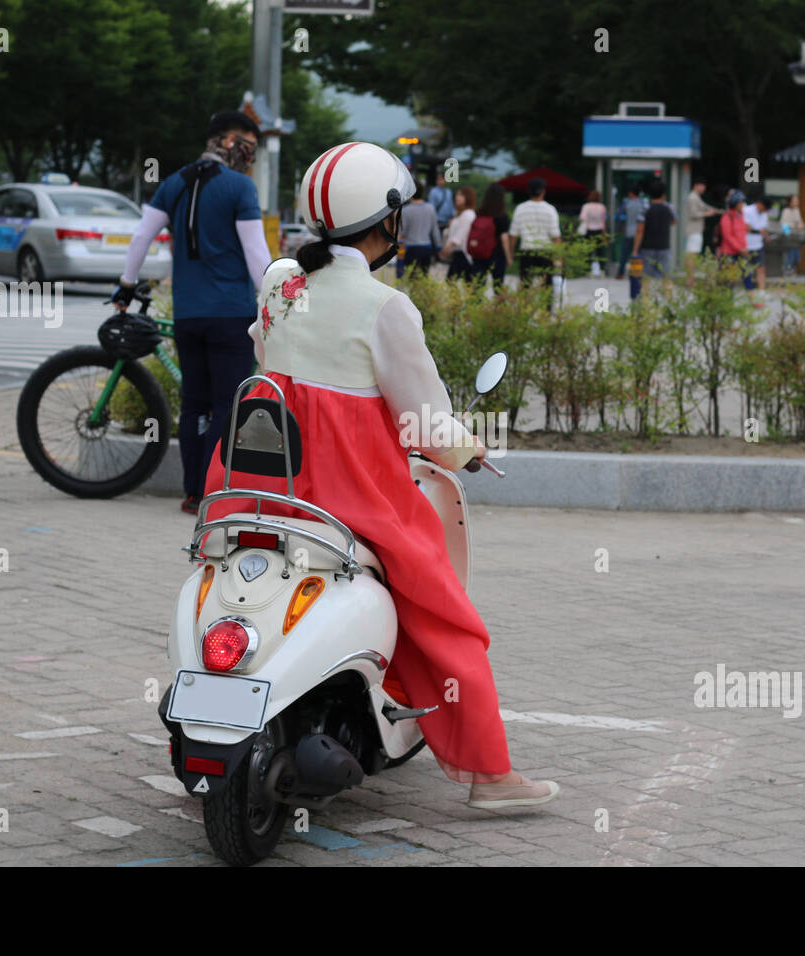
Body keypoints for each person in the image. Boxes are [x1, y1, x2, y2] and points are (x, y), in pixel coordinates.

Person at [202, 141, 560, 809]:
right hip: (350, 494)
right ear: (389, 220)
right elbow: (424, 421)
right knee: (448, 620)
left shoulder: (280, 281)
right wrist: (466, 452)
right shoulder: (384, 306)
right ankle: (490, 775)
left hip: (256, 483)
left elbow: (266, 350)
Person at [116, 109, 270, 514]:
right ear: (230, 142)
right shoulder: (240, 188)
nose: (249, 156)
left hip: (188, 314)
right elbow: (256, 253)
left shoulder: (173, 183)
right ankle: (215, 495)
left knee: (194, 404)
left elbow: (140, 238)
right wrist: (274, 294)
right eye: (248, 146)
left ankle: (193, 492)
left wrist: (126, 286)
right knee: (227, 404)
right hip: (232, 314)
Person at [506, 176, 562, 288]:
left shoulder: (520, 208)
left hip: (526, 251)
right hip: (545, 251)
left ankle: (526, 304)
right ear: (543, 191)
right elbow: (555, 236)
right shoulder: (550, 209)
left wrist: (510, 253)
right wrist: (559, 257)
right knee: (547, 284)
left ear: (528, 191)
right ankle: (546, 305)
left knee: (525, 284)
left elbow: (513, 235)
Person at [467, 182, 511, 286]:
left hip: (480, 254)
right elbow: (504, 238)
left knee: (477, 287)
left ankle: (475, 303)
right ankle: (498, 303)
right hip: (497, 255)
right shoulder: (502, 216)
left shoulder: (479, 213)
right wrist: (509, 257)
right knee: (498, 288)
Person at [631, 179, 675, 278]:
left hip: (647, 247)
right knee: (666, 278)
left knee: (646, 278)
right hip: (664, 246)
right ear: (664, 195)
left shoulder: (645, 208)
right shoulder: (669, 207)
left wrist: (635, 250)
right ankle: (667, 294)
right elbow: (674, 221)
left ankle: (646, 294)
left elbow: (639, 231)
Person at [395, 183, 440, 278]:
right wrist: (439, 248)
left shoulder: (405, 210)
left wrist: (399, 258)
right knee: (422, 279)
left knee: (408, 278)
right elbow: (435, 232)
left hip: (410, 249)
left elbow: (401, 235)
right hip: (427, 249)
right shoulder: (431, 208)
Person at [440, 186, 477, 281]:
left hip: (463, 254)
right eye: (457, 194)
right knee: (463, 284)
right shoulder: (459, 214)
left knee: (451, 282)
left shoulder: (468, 214)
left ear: (468, 198)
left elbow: (460, 235)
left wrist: (447, 247)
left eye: (461, 195)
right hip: (458, 253)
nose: (457, 197)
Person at [684, 179, 722, 273]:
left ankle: (690, 278)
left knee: (693, 254)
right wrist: (708, 213)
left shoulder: (696, 197)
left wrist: (717, 211)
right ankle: (690, 279)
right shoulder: (692, 197)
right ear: (696, 185)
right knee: (692, 255)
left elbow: (705, 206)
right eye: (702, 185)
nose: (703, 188)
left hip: (696, 230)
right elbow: (693, 214)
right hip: (694, 230)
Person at [615, 184, 646, 279]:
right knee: (639, 254)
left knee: (624, 254)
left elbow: (619, 216)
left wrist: (620, 228)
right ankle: (637, 273)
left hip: (628, 231)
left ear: (631, 194)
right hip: (640, 233)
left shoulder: (626, 203)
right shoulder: (643, 204)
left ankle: (620, 274)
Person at [742, 195, 769, 296]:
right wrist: (758, 231)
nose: (765, 211)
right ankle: (748, 291)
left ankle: (762, 292)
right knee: (746, 270)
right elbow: (746, 227)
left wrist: (766, 236)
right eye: (764, 208)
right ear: (760, 204)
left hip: (759, 245)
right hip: (746, 245)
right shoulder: (747, 210)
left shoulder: (764, 213)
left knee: (761, 269)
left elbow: (764, 228)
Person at [719, 191, 749, 277]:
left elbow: (742, 234)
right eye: (741, 202)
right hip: (729, 252)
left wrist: (745, 247)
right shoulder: (727, 217)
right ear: (736, 203)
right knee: (727, 278)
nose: (743, 205)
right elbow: (727, 236)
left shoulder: (741, 215)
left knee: (746, 275)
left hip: (741, 251)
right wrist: (740, 248)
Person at [577, 189, 608, 271]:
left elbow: (582, 218)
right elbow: (603, 221)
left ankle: (587, 269)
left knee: (588, 251)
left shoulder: (586, 206)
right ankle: (602, 269)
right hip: (599, 230)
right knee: (600, 251)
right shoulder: (602, 207)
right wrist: (604, 234)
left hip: (589, 230)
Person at [779, 194, 805, 276]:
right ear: (790, 202)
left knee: (796, 257)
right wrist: (795, 226)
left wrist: (801, 225)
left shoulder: (797, 210)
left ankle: (792, 271)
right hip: (788, 239)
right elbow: (783, 225)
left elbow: (800, 222)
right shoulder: (786, 211)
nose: (797, 202)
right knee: (789, 256)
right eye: (795, 200)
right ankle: (787, 272)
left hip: (796, 238)